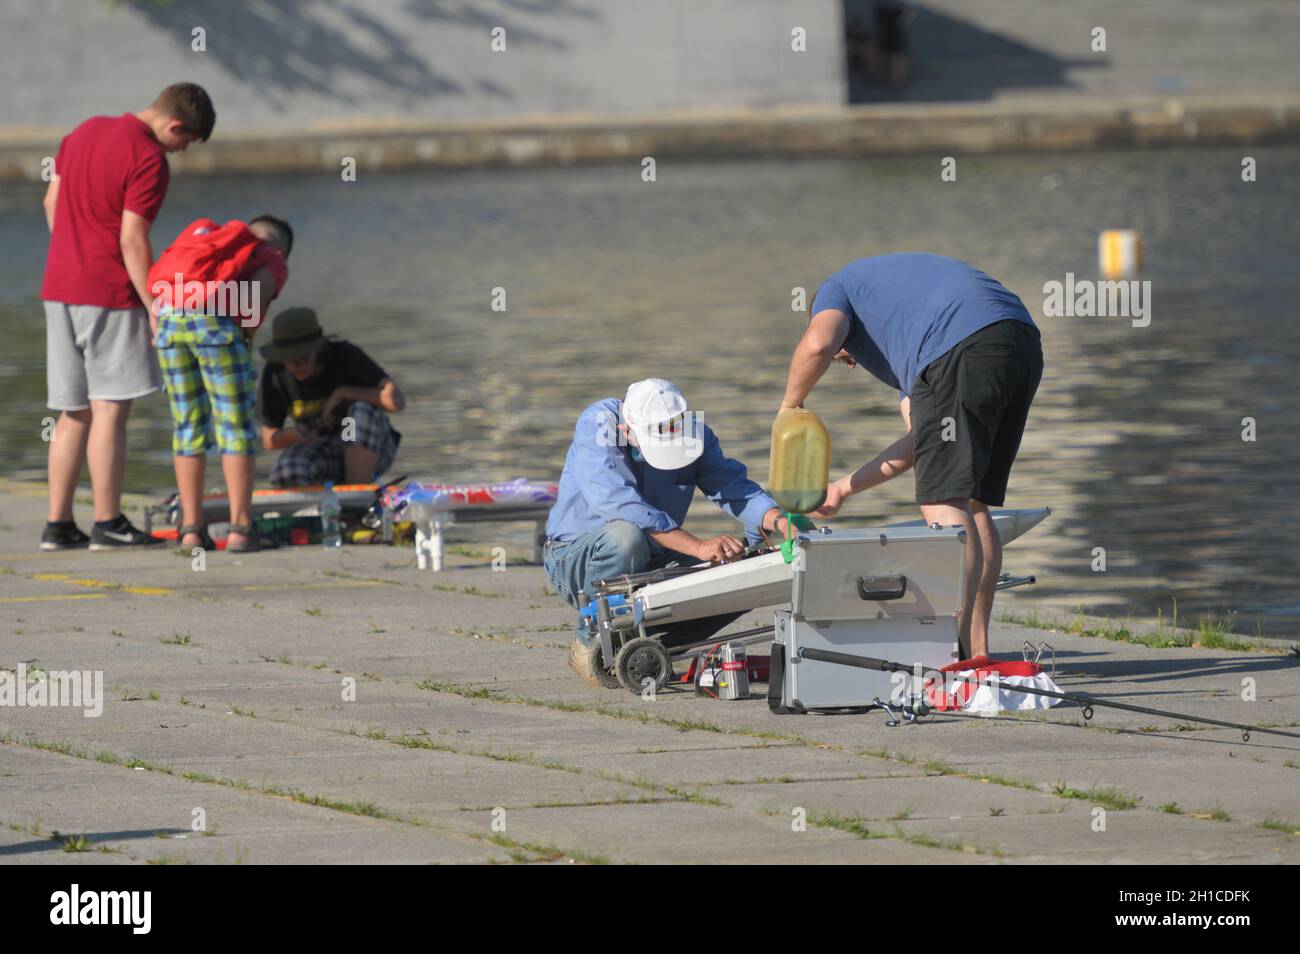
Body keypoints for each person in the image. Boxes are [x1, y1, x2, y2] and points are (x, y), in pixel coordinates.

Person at [781, 253, 1043, 661]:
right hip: (1019, 340)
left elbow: (818, 343)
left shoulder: (836, 290)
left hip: (963, 347)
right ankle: (976, 655)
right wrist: (844, 489)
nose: (850, 364)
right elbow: (920, 442)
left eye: (845, 358)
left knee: (944, 502)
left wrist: (790, 406)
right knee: (972, 503)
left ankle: (946, 658)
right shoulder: (909, 326)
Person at [40, 82, 216, 550]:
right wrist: (155, 306)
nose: (181, 152)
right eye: (186, 143)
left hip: (58, 288)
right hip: (109, 293)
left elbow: (50, 204)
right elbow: (132, 240)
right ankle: (107, 523)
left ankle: (57, 526)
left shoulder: (81, 132)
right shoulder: (148, 159)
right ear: (174, 125)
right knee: (110, 410)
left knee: (71, 412)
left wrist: (73, 254)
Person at [545, 378, 800, 687]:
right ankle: (592, 640)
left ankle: (651, 651)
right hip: (577, 558)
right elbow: (620, 505)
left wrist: (780, 521)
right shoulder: (597, 424)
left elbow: (732, 487)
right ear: (628, 430)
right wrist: (698, 548)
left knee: (744, 570)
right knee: (627, 538)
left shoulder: (696, 431)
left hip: (655, 553)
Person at [149, 215, 293, 552]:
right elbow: (253, 305)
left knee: (187, 426)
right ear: (283, 250)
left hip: (170, 321)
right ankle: (241, 528)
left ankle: (191, 530)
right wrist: (244, 339)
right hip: (214, 325)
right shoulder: (270, 258)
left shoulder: (214, 242)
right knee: (235, 427)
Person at [256, 308, 405, 487]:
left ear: (318, 348)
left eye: (302, 358)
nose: (295, 366)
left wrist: (344, 392)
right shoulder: (276, 372)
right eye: (287, 359)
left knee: (360, 412)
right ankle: (319, 509)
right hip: (320, 446)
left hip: (361, 440)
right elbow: (269, 439)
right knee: (287, 471)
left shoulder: (345, 355)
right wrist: (296, 434)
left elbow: (395, 401)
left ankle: (355, 498)